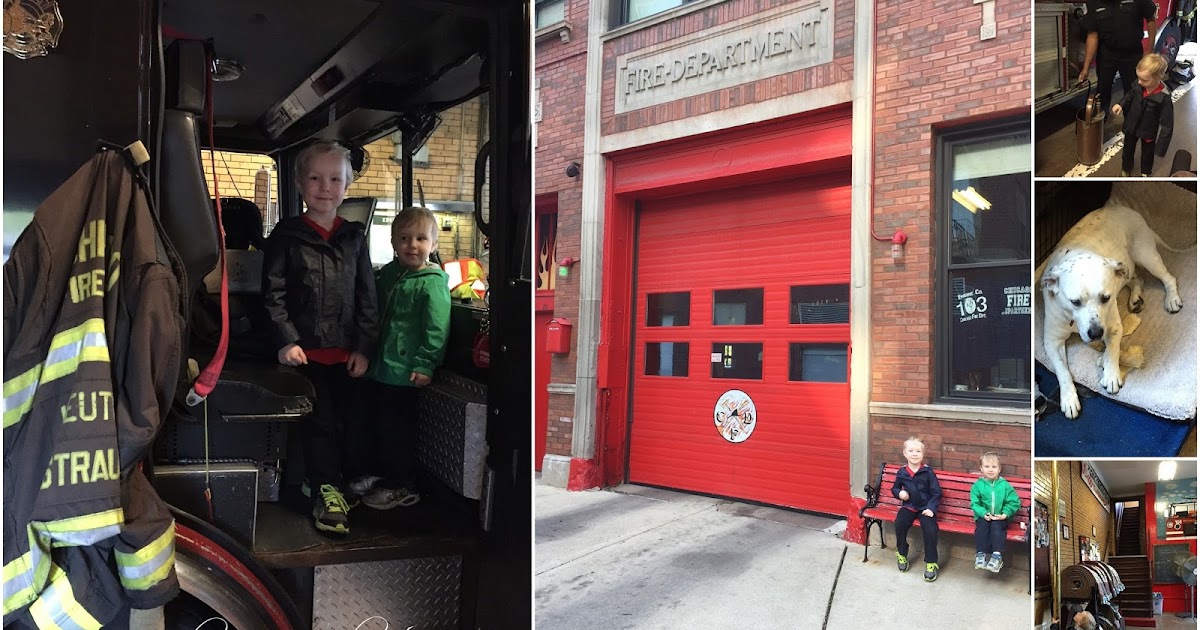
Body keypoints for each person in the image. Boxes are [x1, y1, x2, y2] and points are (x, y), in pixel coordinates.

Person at [263, 140, 378, 535]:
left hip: (346, 353)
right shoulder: (287, 235)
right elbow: (273, 294)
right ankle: (327, 493)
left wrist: (364, 347)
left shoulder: (355, 236)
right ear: (299, 184)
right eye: (315, 178)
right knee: (320, 424)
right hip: (305, 353)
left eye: (334, 179)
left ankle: (326, 482)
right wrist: (286, 340)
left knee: (348, 424)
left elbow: (366, 295)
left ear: (347, 186)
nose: (325, 187)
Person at [346, 206, 451, 510]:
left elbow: (437, 328)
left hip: (405, 371)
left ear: (433, 244)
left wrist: (425, 363)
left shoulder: (432, 282)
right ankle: (377, 474)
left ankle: (402, 484)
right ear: (393, 242)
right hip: (379, 366)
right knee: (372, 424)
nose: (412, 245)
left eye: (420, 239)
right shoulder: (388, 275)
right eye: (404, 238)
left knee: (397, 431)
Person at [1077, 0, 1158, 113]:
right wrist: (1086, 68)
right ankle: (1101, 118)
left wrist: (1149, 50)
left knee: (1133, 91)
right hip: (1107, 54)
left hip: (1132, 54)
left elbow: (1151, 19)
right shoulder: (1094, 3)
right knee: (1102, 91)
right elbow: (1093, 35)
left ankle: (1131, 121)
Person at [1113, 53, 1174, 177]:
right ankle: (1126, 168)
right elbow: (1130, 95)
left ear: (1159, 77)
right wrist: (1121, 104)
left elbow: (1167, 125)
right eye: (1138, 78)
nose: (1139, 82)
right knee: (1128, 150)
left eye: (1144, 80)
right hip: (1132, 125)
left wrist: (1161, 147)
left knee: (1147, 153)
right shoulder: (1139, 84)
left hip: (1148, 130)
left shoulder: (1164, 97)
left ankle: (1145, 172)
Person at [892, 436, 943, 582]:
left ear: (923, 454)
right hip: (909, 506)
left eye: (918, 451)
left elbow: (937, 493)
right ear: (905, 453)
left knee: (931, 529)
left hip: (925, 508)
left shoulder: (927, 472)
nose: (914, 454)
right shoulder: (902, 472)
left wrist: (931, 508)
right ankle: (902, 552)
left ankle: (931, 562)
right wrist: (899, 493)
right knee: (900, 523)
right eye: (911, 451)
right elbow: (895, 488)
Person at [970, 452, 1021, 573]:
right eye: (987, 466)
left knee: (996, 527)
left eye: (994, 467)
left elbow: (1014, 502)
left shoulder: (1005, 486)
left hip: (1000, 517)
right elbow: (974, 503)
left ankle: (997, 556)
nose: (990, 469)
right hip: (984, 516)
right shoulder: (978, 485)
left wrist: (1005, 514)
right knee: (981, 528)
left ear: (999, 469)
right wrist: (983, 513)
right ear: (981, 468)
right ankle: (980, 554)